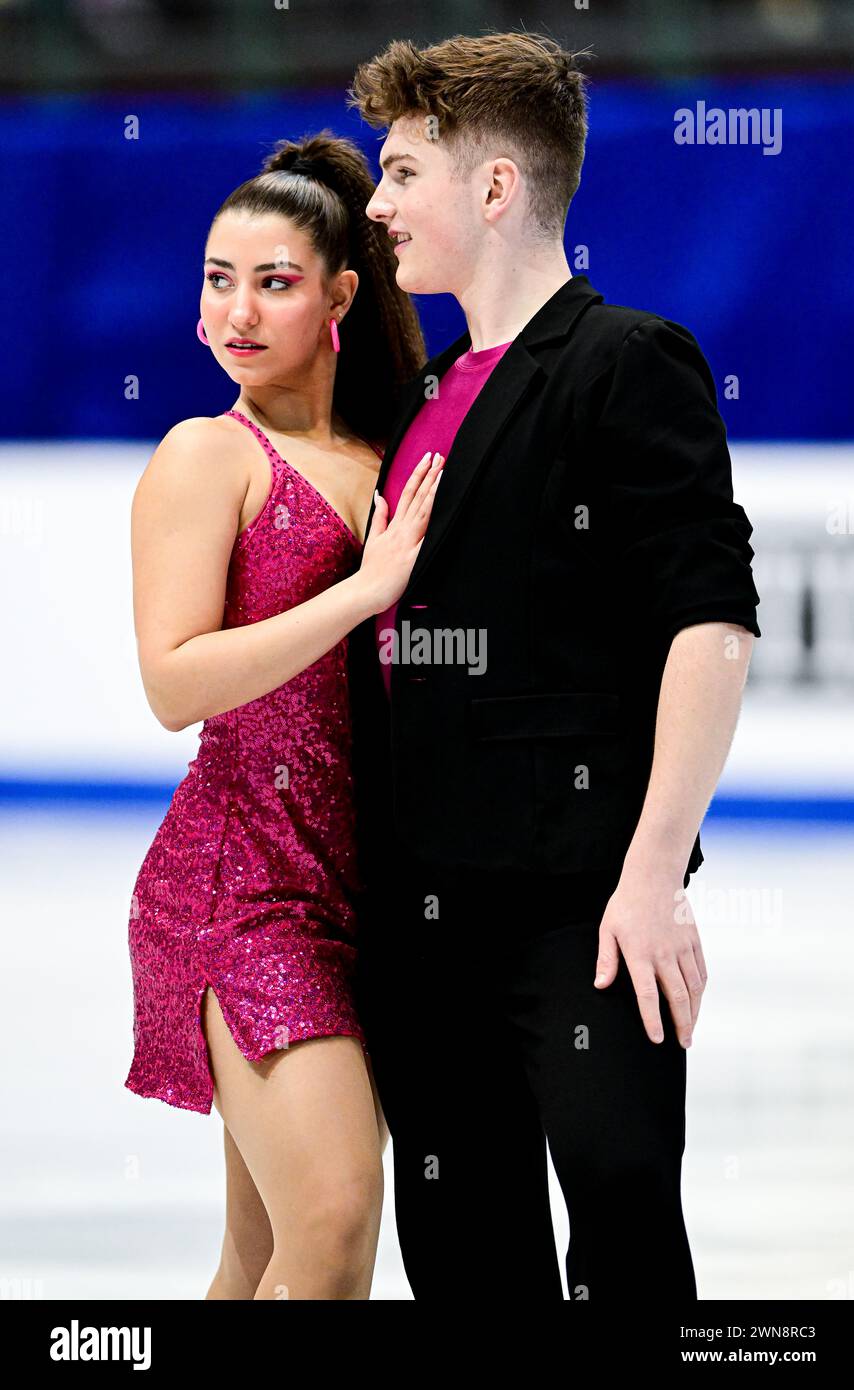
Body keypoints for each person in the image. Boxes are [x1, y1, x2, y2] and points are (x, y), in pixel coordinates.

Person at [345, 32, 762, 1301]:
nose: (377, 205)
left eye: (402, 172)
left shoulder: (623, 359)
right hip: (424, 921)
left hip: (576, 912)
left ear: (493, 190)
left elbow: (710, 621)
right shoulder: (419, 393)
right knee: (465, 1256)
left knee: (622, 1227)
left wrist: (649, 873)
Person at [123, 132, 444, 1300]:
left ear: (342, 293)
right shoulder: (210, 454)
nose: (237, 311)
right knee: (336, 1215)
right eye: (217, 278)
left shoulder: (383, 455)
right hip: (239, 885)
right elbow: (173, 682)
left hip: (360, 884)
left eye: (273, 281)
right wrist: (362, 590)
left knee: (266, 1252)